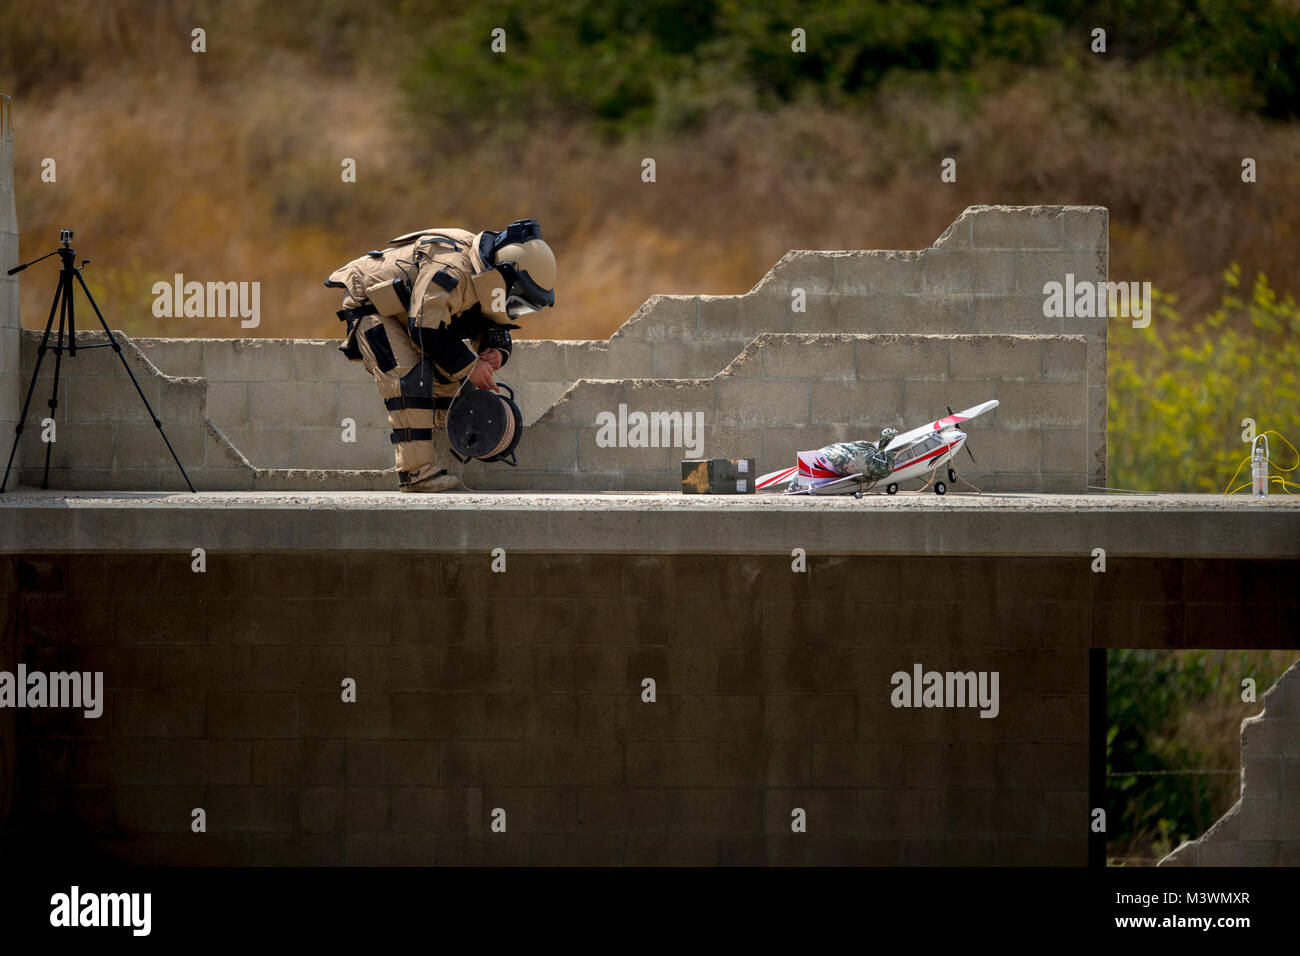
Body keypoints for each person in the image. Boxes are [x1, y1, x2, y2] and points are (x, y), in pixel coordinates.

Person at [327, 219, 556, 491]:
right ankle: (415, 474)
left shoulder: (485, 274)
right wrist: (471, 366)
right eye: (518, 301)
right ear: (503, 276)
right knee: (409, 378)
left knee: (451, 379)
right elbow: (426, 331)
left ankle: (443, 448)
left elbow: (482, 318)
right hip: (371, 306)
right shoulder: (450, 271)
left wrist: (494, 350)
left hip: (413, 316)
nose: (515, 309)